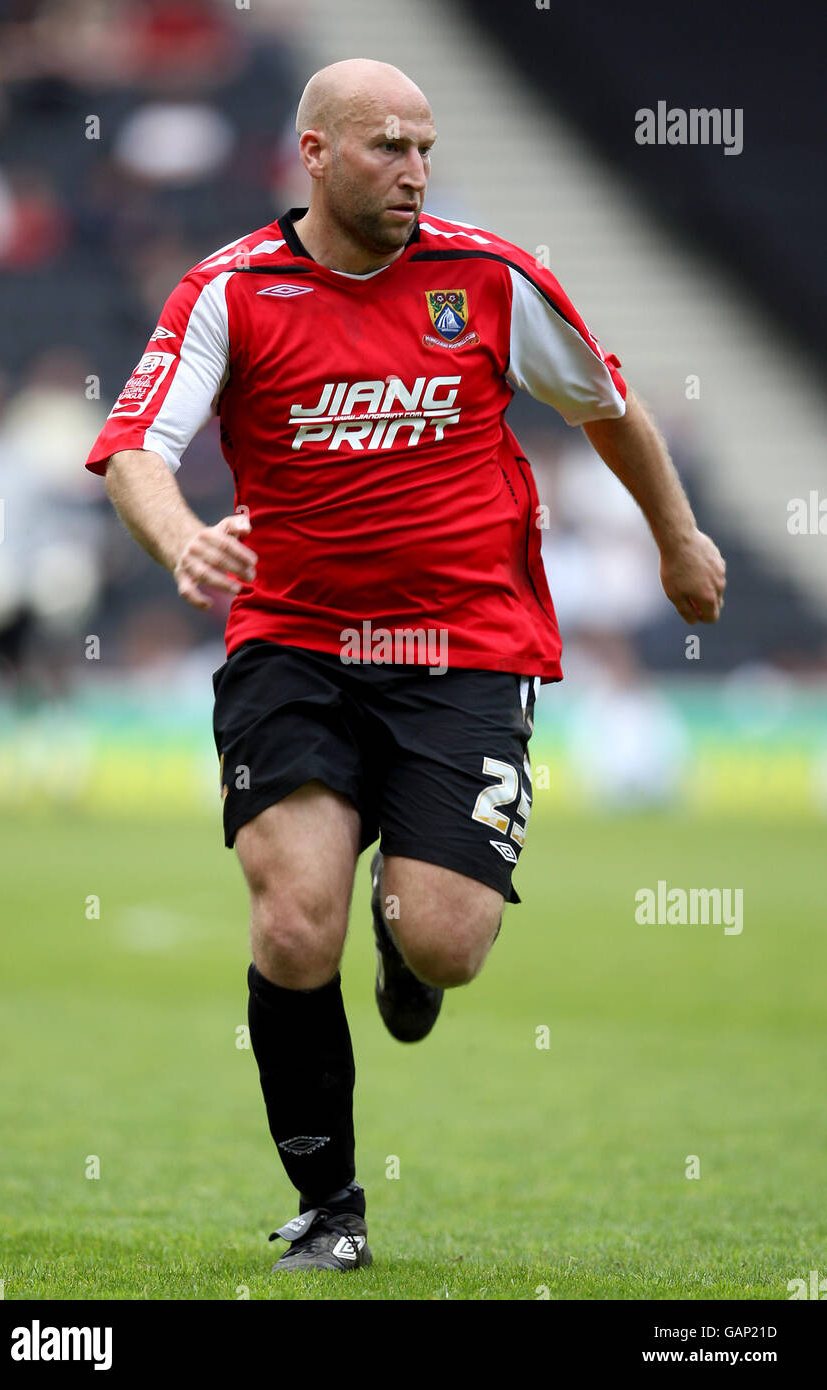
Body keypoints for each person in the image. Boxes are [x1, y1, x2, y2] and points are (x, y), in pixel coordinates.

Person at [84, 58, 726, 1273]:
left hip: (463, 650)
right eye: (388, 147)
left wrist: (678, 537)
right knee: (291, 922)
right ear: (315, 155)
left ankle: (404, 941)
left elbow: (606, 404)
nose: (415, 172)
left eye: (425, 147)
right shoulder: (228, 291)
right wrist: (183, 541)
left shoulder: (488, 277)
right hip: (292, 643)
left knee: (443, 941)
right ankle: (330, 1208)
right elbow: (133, 450)